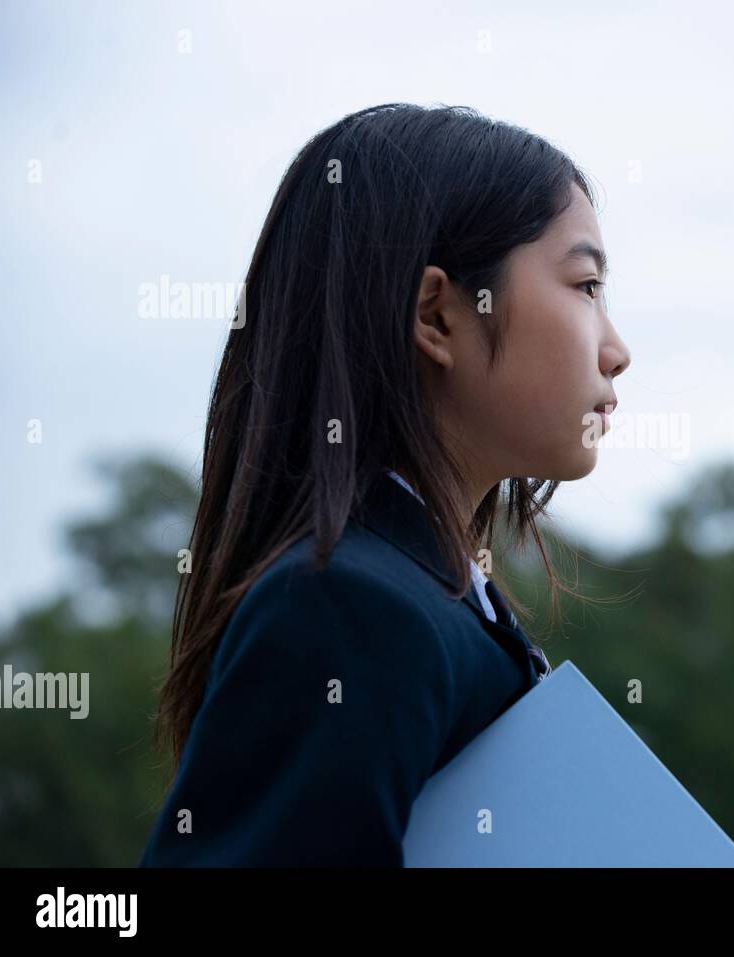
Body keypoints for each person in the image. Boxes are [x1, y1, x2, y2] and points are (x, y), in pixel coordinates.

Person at [139, 103, 631, 866]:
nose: (616, 350)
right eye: (587, 284)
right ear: (437, 315)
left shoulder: (423, 599)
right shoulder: (347, 606)